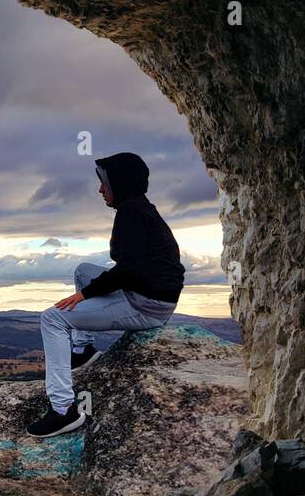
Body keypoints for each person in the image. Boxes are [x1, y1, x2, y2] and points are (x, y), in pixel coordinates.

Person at [27, 152, 186, 438]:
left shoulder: (131, 213)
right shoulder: (139, 208)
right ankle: (82, 350)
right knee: (82, 270)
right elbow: (135, 268)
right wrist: (89, 289)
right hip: (150, 294)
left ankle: (63, 410)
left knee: (53, 318)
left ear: (121, 183)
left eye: (104, 183)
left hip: (147, 305)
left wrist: (86, 294)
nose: (100, 189)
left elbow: (128, 270)